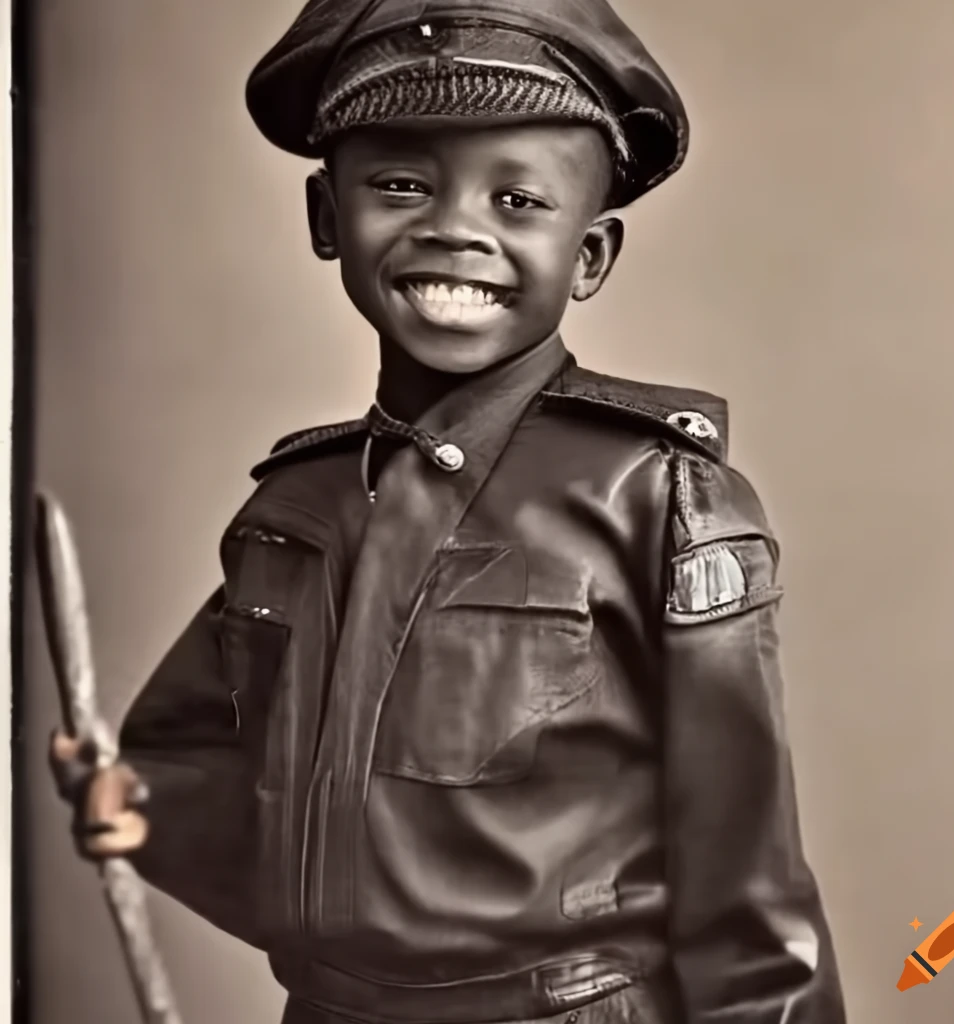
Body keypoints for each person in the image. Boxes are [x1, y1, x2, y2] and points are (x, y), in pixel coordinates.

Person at [50, 1, 847, 1021]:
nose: (455, 228)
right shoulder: (294, 507)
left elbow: (749, 893)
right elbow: (225, 777)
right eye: (399, 184)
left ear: (592, 253)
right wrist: (138, 805)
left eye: (518, 199)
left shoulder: (658, 498)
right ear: (326, 218)